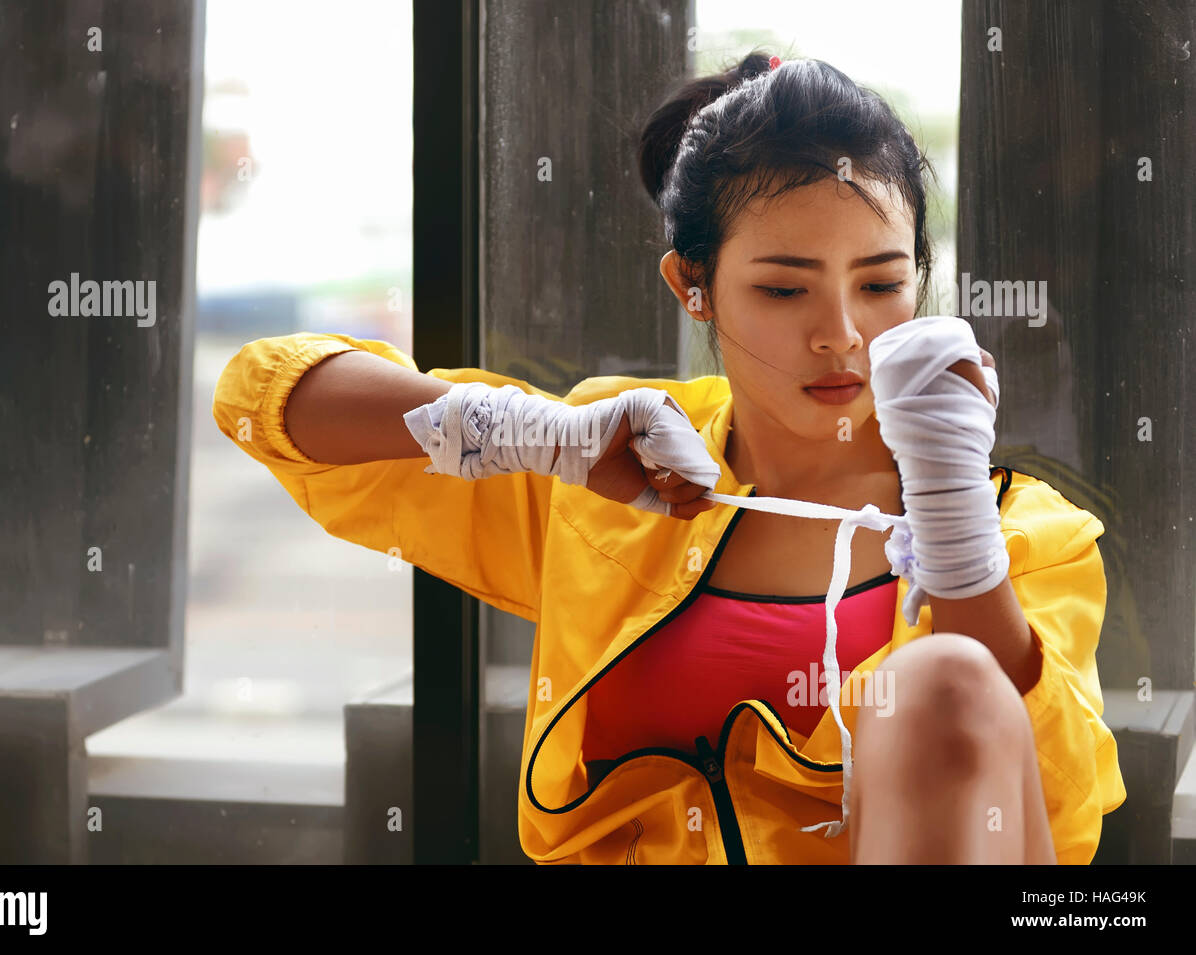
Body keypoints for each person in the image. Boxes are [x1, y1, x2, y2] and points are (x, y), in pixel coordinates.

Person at [212, 51, 1125, 864]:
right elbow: (266, 399)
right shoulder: (615, 466)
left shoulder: (1025, 532)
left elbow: (1049, 813)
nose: (842, 335)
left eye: (882, 283)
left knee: (942, 681)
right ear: (692, 286)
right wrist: (538, 436)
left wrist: (957, 518)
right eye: (782, 288)